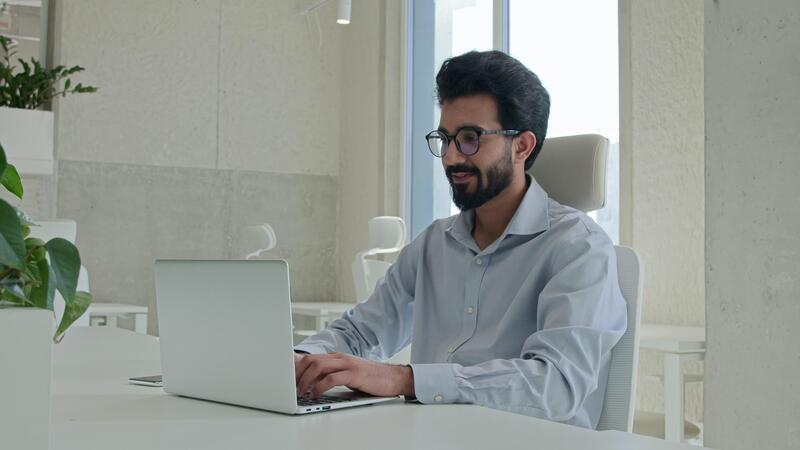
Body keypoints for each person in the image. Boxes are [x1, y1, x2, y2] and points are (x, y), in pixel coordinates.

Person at [293, 50, 627, 429]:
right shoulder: (433, 244)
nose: (451, 158)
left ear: (521, 146)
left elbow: (555, 386)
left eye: (470, 138)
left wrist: (405, 380)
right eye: (445, 138)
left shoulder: (579, 248)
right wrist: (301, 360)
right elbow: (360, 332)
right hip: (432, 435)